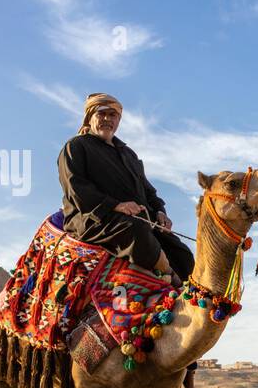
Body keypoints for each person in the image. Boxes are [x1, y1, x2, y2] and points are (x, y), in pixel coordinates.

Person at [58, 93, 195, 283]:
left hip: (138, 218)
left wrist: (160, 212)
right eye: (101, 114)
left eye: (112, 115)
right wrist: (116, 205)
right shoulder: (75, 146)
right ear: (90, 117)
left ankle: (186, 286)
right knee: (136, 231)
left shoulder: (128, 153)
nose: (107, 119)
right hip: (93, 220)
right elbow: (76, 189)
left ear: (119, 120)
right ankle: (169, 278)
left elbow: (148, 190)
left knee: (182, 253)